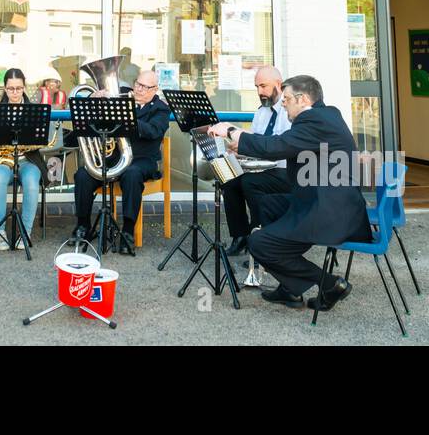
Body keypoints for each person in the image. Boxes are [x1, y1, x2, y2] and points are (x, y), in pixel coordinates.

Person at [208, 75, 370, 312]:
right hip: (324, 200)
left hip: (331, 211)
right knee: (266, 204)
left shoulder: (315, 121)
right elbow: (283, 145)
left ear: (303, 99)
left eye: (286, 99)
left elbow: (277, 146)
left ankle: (329, 283)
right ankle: (289, 286)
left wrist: (231, 130)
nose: (283, 104)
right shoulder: (325, 116)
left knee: (259, 243)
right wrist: (246, 146)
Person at [72, 68, 170, 244]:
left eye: (146, 87)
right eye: (138, 84)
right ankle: (83, 225)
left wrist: (128, 117)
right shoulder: (121, 97)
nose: (139, 89)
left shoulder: (161, 109)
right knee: (82, 175)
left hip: (142, 160)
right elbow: (94, 123)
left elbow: (154, 131)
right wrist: (93, 102)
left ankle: (127, 230)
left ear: (155, 90)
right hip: (114, 158)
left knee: (132, 174)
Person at [221, 65, 293, 256]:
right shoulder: (261, 112)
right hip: (263, 169)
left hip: (286, 171)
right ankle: (240, 236)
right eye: (256, 87)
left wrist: (247, 145)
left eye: (263, 86)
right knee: (229, 178)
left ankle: (261, 240)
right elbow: (255, 144)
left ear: (278, 84)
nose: (260, 92)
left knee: (249, 182)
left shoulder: (290, 111)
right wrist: (239, 150)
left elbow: (279, 147)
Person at [0, 69, 46, 251]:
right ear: (5, 89)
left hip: (27, 160)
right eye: (11, 89)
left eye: (19, 88)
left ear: (24, 87)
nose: (15, 93)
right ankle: (0, 234)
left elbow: (40, 140)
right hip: (3, 159)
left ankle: (25, 233)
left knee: (32, 182)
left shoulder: (34, 110)